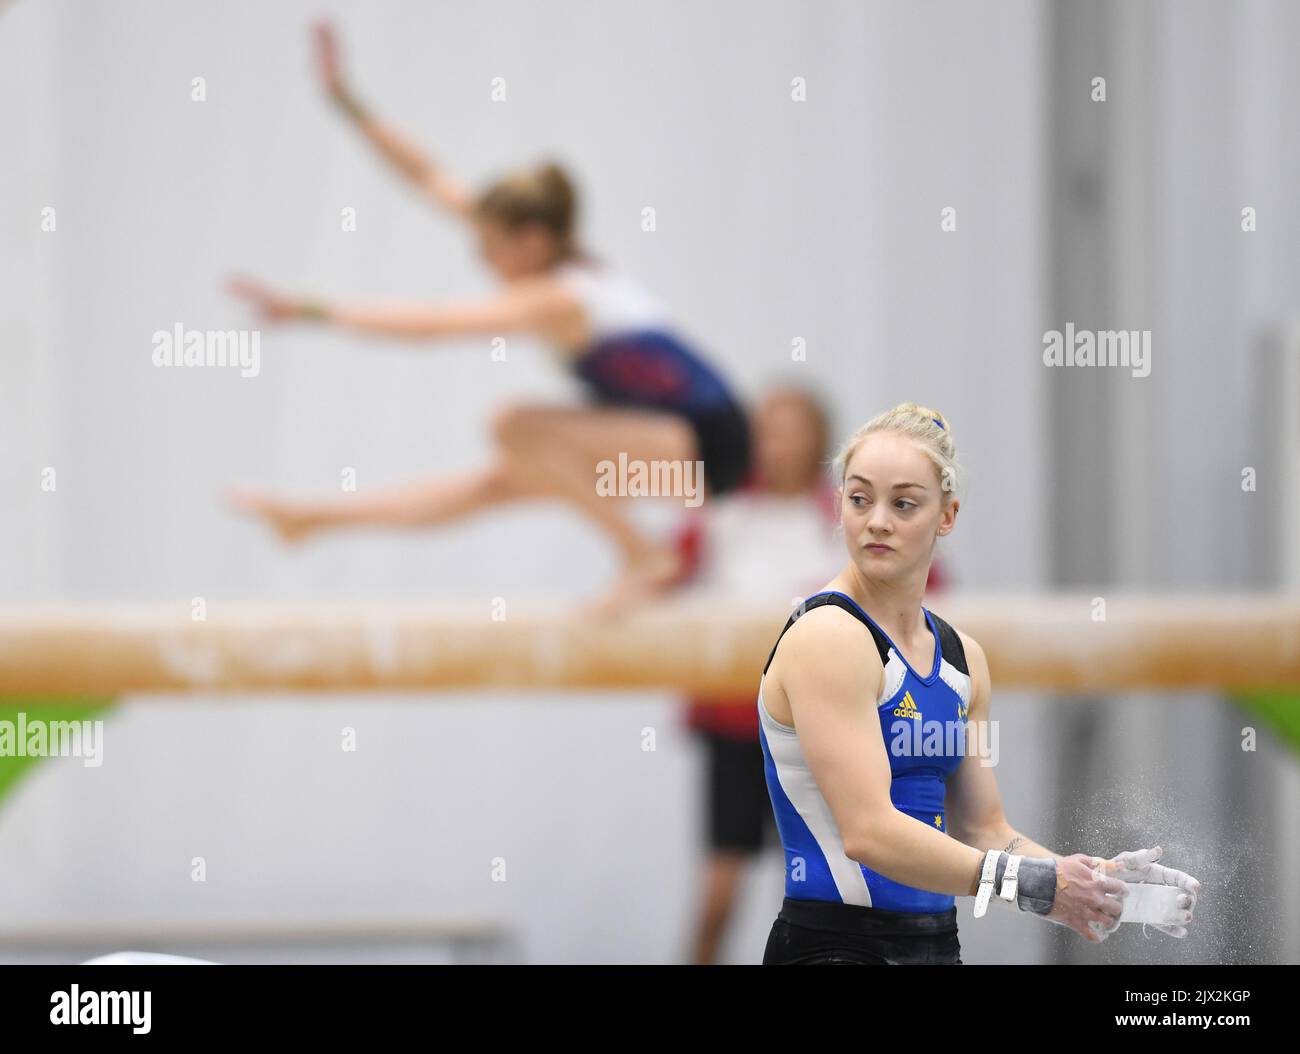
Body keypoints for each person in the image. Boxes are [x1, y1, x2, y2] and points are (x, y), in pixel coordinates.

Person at [227, 22, 751, 615]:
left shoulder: (557, 297)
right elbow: (427, 175)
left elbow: (432, 324)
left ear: (531, 240)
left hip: (706, 450)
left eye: (490, 246)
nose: (480, 257)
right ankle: (311, 519)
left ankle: (645, 556)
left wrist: (312, 310)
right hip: (667, 451)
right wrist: (346, 100)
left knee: (514, 426)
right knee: (494, 483)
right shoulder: (555, 271)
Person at [757, 402, 1201, 964]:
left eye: (904, 504)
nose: (877, 521)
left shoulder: (962, 659)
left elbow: (986, 829)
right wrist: (1034, 885)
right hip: (833, 946)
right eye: (859, 498)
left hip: (935, 945)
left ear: (947, 516)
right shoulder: (829, 636)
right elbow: (868, 832)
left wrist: (1089, 882)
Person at [672, 385, 951, 963]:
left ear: (817, 442)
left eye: (791, 432)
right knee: (719, 895)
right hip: (737, 726)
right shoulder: (723, 516)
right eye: (767, 431)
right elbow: (659, 575)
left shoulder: (847, 516)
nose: (777, 446)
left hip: (832, 722)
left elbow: (924, 589)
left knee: (847, 885)